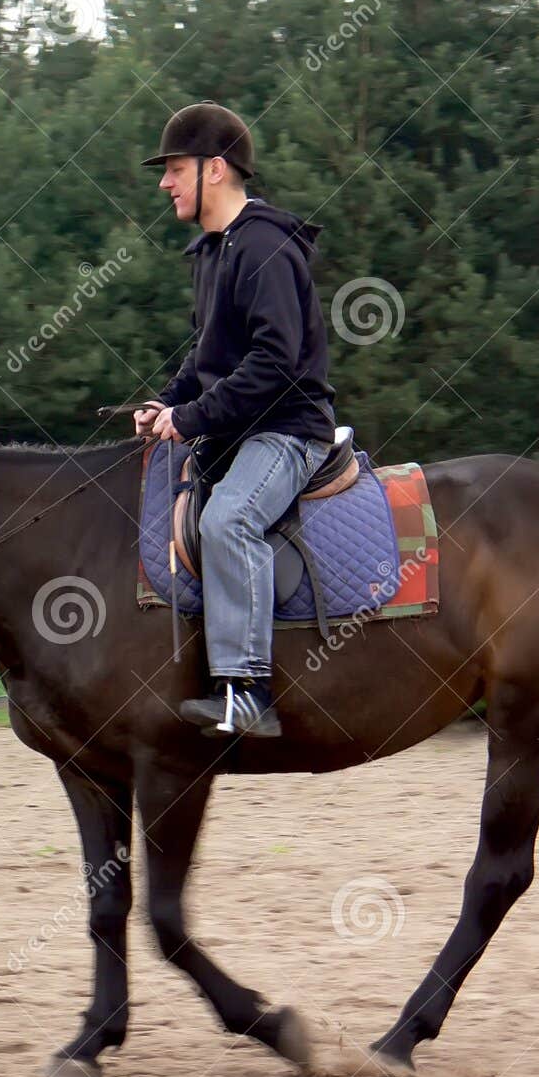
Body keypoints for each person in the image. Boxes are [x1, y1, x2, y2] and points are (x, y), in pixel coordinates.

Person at [135, 102, 337, 738]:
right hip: (236, 432)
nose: (165, 182)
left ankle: (248, 692)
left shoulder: (265, 247)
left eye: (174, 169)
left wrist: (192, 416)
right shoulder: (214, 252)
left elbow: (274, 363)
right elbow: (207, 357)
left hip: (286, 432)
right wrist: (166, 404)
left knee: (229, 520)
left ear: (214, 169)